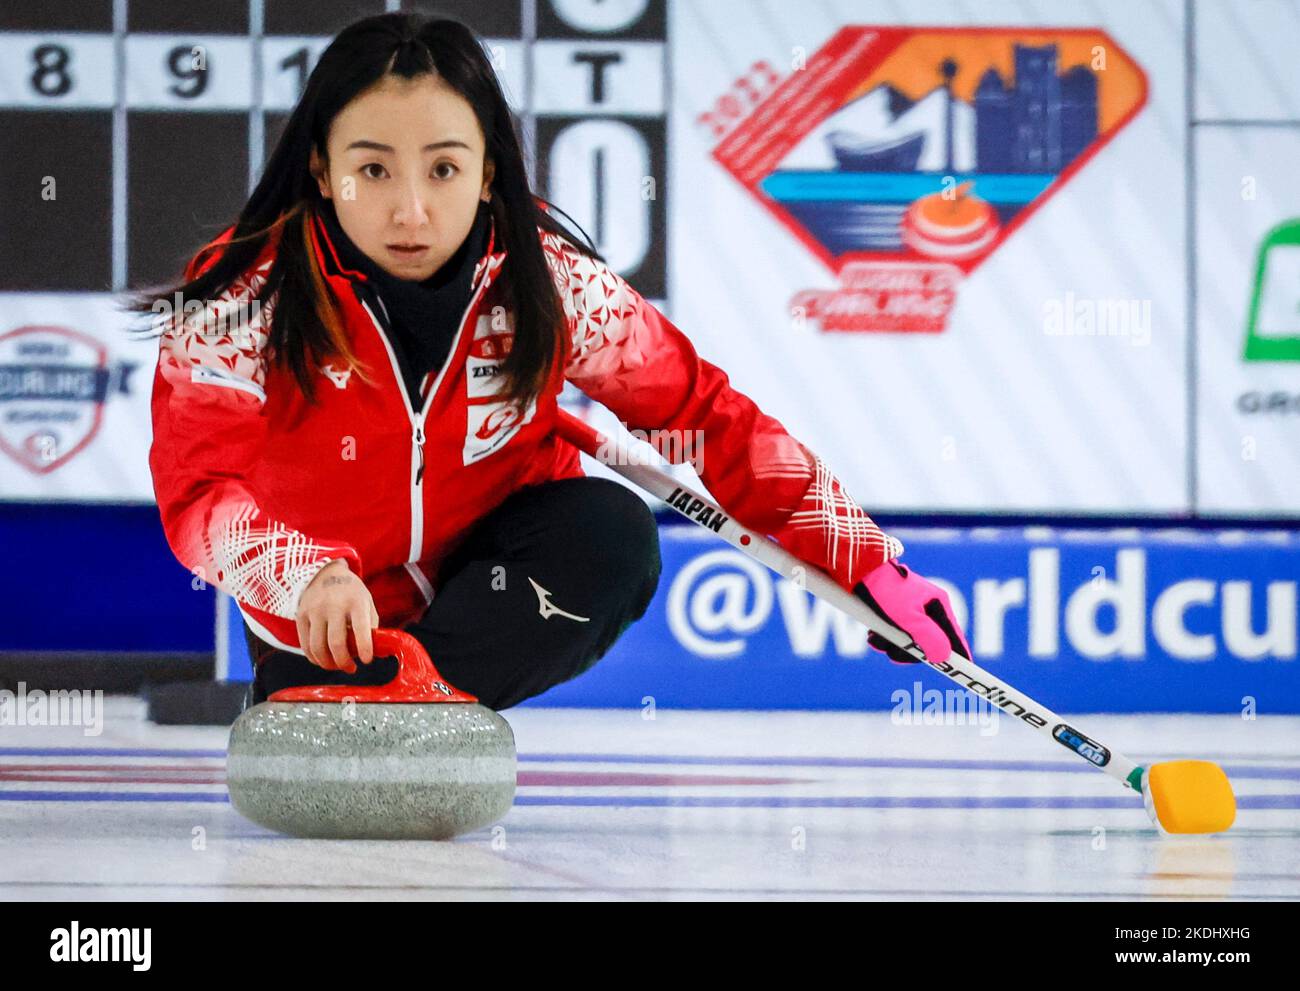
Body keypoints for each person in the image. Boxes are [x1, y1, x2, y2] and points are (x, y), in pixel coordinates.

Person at [138, 12, 969, 712]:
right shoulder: (240, 297)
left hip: (480, 599)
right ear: (320, 169)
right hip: (324, 615)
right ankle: (358, 690)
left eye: (444, 168)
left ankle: (415, 698)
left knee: (612, 534)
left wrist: (866, 561)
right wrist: (301, 576)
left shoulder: (553, 281)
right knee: (326, 657)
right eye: (372, 170)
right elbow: (199, 497)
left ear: (489, 169)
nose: (411, 208)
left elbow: (702, 416)